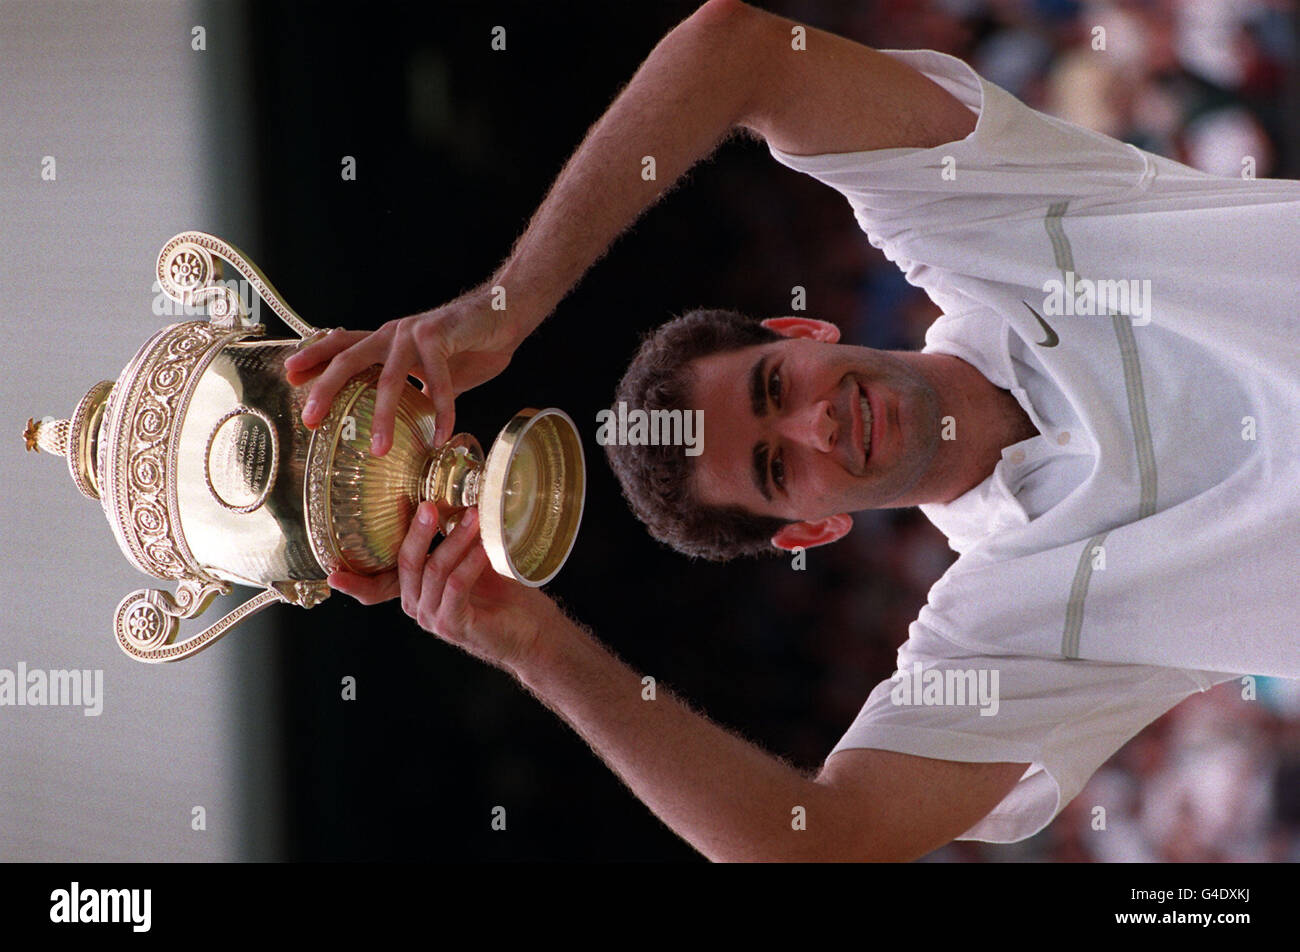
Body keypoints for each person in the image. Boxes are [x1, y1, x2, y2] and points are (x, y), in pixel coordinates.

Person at [282, 0, 1300, 860]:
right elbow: (810, 842)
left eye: (773, 385)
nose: (818, 419)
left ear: (802, 327)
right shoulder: (1002, 636)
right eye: (777, 465)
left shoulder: (977, 217)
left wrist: (507, 304)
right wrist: (538, 649)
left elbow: (737, 47)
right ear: (809, 532)